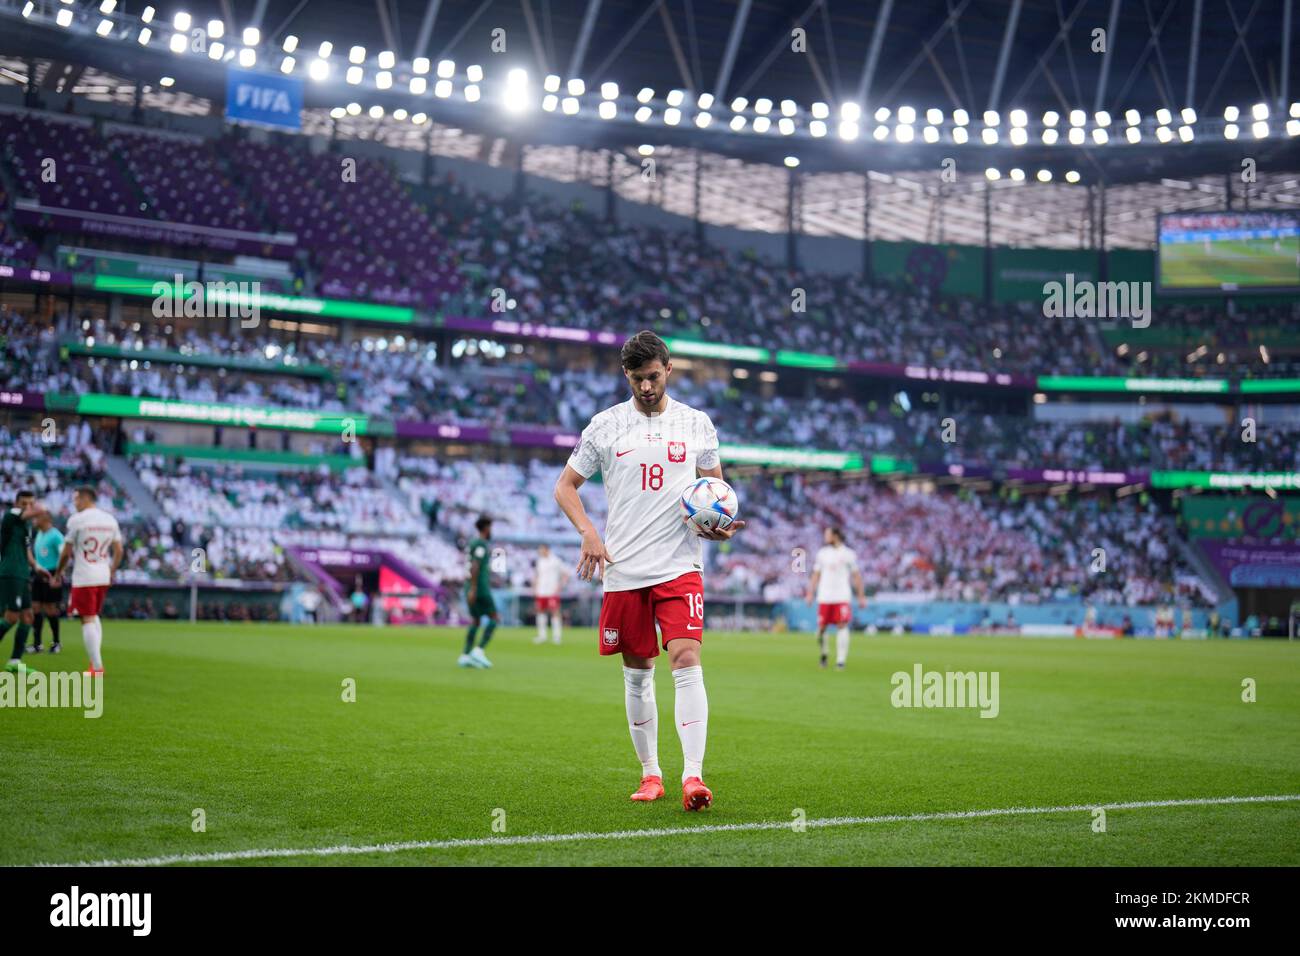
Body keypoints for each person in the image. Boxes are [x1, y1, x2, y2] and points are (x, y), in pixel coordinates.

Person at [554, 330, 745, 811]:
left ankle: (694, 777)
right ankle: (651, 774)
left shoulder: (697, 424)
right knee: (638, 674)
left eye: (653, 377)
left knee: (686, 658)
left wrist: (717, 527)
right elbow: (565, 487)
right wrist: (587, 532)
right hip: (623, 568)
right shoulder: (605, 426)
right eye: (637, 379)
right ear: (627, 376)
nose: (645, 387)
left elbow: (714, 492)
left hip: (680, 565)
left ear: (669, 369)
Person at [52, 486, 123, 676]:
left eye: (76, 499)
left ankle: (97, 667)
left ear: (85, 499)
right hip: (103, 573)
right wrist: (112, 570)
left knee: (87, 618)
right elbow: (119, 550)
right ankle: (95, 663)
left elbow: (66, 553)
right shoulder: (110, 519)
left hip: (85, 575)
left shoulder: (77, 520)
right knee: (94, 616)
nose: (74, 503)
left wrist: (58, 573)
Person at [806, 526, 866, 670]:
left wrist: (861, 596)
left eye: (827, 534)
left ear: (835, 535)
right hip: (825, 596)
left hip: (842, 595)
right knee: (821, 628)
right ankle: (824, 653)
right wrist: (810, 593)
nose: (825, 537)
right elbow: (816, 575)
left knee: (842, 625)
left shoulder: (849, 554)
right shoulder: (822, 553)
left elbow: (856, 575)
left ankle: (840, 661)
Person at [0, 490, 40, 673]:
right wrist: (38, 508)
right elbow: (34, 512)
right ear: (17, 503)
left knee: (27, 617)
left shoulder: (26, 526)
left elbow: (27, 548)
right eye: (24, 503)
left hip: (23, 574)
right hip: (11, 572)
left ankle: (15, 661)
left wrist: (36, 566)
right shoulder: (11, 516)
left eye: (30, 503)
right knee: (11, 616)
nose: (28, 506)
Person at [459, 515, 498, 669]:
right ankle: (479, 650)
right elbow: (475, 565)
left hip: (470, 585)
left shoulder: (473, 542)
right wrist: (474, 588)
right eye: (490, 527)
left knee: (475, 620)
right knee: (494, 617)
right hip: (479, 588)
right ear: (486, 527)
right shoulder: (481, 543)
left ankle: (465, 655)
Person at [28, 509, 66, 653]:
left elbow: (65, 555)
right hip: (39, 574)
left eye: (37, 517)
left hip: (52, 573)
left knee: (50, 609)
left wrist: (58, 574)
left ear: (46, 518)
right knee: (35, 607)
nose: (34, 520)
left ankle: (56, 642)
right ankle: (37, 644)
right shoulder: (39, 535)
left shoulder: (56, 536)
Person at [532, 543, 568, 645]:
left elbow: (566, 574)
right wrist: (535, 588)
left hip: (552, 591)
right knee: (540, 612)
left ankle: (557, 636)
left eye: (541, 549)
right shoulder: (540, 561)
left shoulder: (556, 560)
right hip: (541, 591)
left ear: (546, 549)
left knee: (555, 612)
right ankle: (542, 636)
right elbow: (537, 575)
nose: (540, 552)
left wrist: (560, 587)